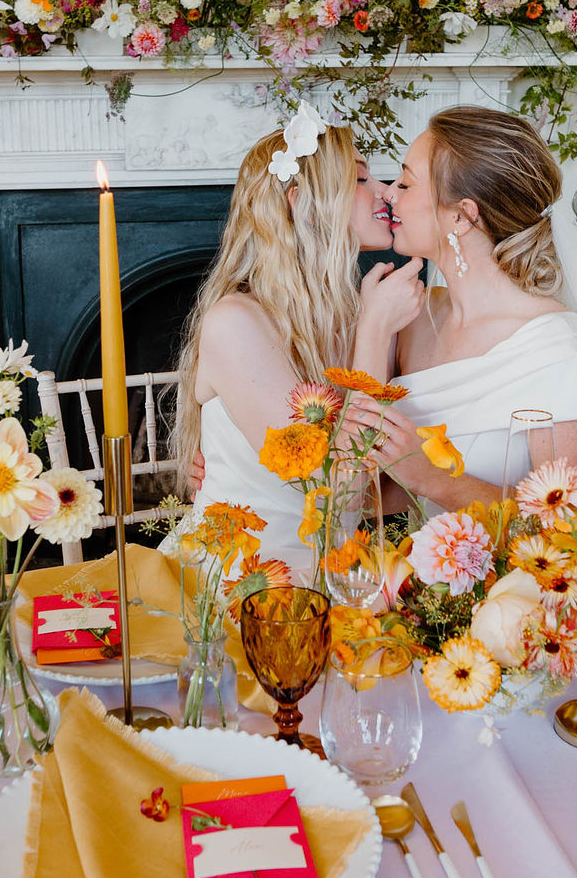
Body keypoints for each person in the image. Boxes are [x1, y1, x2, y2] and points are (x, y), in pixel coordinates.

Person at [173, 102, 424, 571]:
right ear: (301, 201)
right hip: (245, 578)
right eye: (360, 179)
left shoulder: (364, 312)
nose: (385, 191)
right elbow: (332, 498)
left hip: (337, 568)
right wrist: (374, 332)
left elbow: (376, 489)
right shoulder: (236, 321)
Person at [348, 106, 577, 515]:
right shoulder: (410, 319)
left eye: (406, 183)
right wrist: (372, 328)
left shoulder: (555, 352)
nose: (389, 193)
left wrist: (433, 478)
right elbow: (364, 495)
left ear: (462, 216)